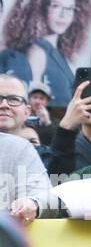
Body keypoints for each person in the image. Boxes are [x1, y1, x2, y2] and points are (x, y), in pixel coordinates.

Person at [0, 0, 91, 106]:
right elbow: (31, 103)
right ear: (41, 8)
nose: (63, 14)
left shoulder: (56, 52)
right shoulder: (37, 51)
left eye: (70, 8)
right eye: (56, 6)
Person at [1, 77, 51, 224]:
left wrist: (32, 203)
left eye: (14, 99)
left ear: (27, 111)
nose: (4, 105)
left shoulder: (24, 148)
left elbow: (43, 196)